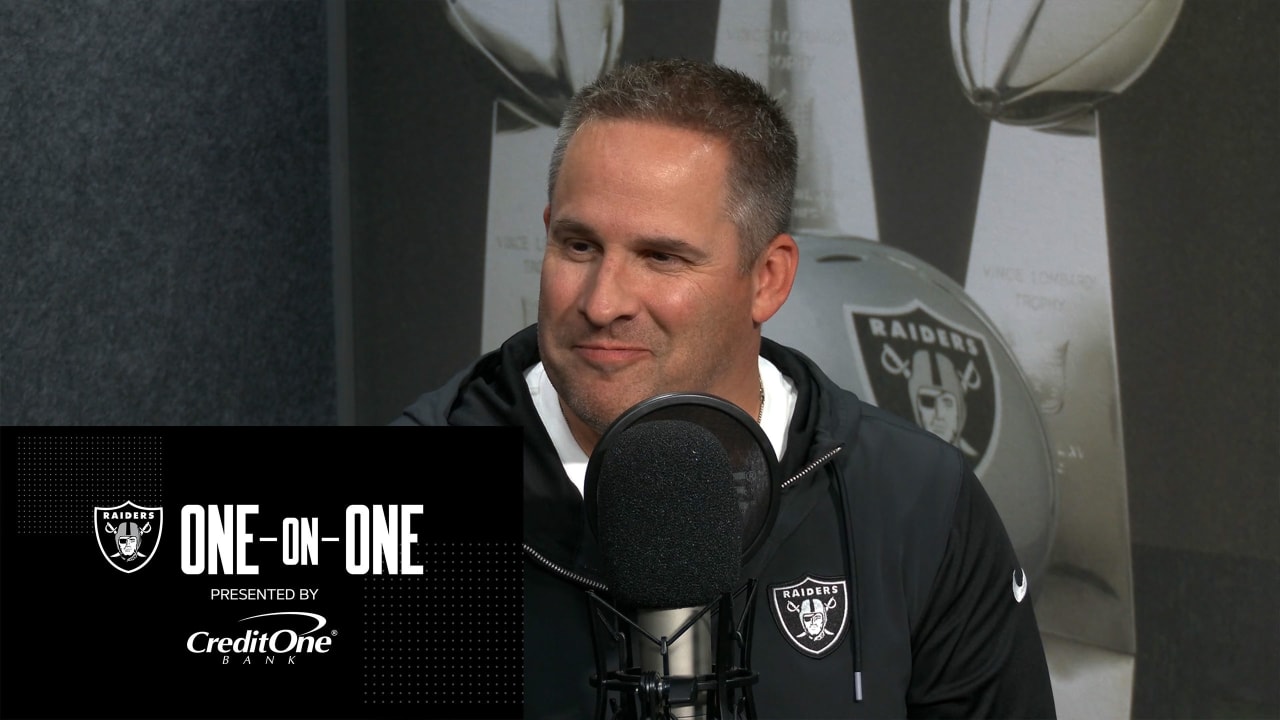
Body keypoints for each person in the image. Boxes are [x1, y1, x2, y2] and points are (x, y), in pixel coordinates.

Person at [394, 57, 1057, 719]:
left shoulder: (915, 501)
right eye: (578, 246)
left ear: (767, 278)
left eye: (661, 257)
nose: (602, 302)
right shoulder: (397, 514)